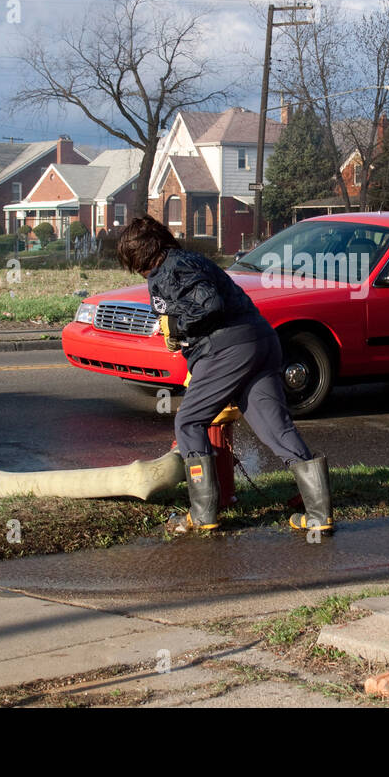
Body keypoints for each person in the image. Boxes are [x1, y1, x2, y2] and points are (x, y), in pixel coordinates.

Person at [115, 215, 332, 536]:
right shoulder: (187, 260)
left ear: (142, 255)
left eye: (135, 265)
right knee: (275, 428)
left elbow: (209, 304)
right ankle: (319, 515)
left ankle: (203, 514)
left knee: (189, 422)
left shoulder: (172, 267)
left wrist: (175, 326)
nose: (139, 273)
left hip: (227, 348)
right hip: (259, 339)